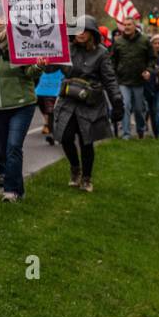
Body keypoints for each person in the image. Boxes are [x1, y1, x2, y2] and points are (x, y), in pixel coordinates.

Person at [51, 15, 123, 194]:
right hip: (68, 100)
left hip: (90, 102)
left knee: (86, 141)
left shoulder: (101, 52)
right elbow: (50, 67)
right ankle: (75, 168)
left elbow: (110, 79)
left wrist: (117, 100)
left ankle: (86, 178)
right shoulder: (66, 49)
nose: (80, 34)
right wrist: (45, 58)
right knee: (65, 137)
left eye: (84, 30)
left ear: (92, 33)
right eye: (77, 30)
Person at [0, 3, 43, 202]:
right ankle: (19, 190)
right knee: (5, 150)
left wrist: (39, 65)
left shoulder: (18, 42)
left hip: (22, 104)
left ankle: (10, 191)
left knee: (14, 146)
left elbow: (30, 73)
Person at [110, 15, 154, 139]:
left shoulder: (144, 40)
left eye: (129, 24)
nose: (127, 27)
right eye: (125, 25)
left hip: (139, 81)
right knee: (126, 105)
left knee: (139, 109)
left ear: (135, 26)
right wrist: (114, 74)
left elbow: (152, 59)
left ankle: (140, 130)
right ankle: (126, 133)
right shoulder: (118, 42)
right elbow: (112, 60)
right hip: (123, 80)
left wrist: (148, 70)